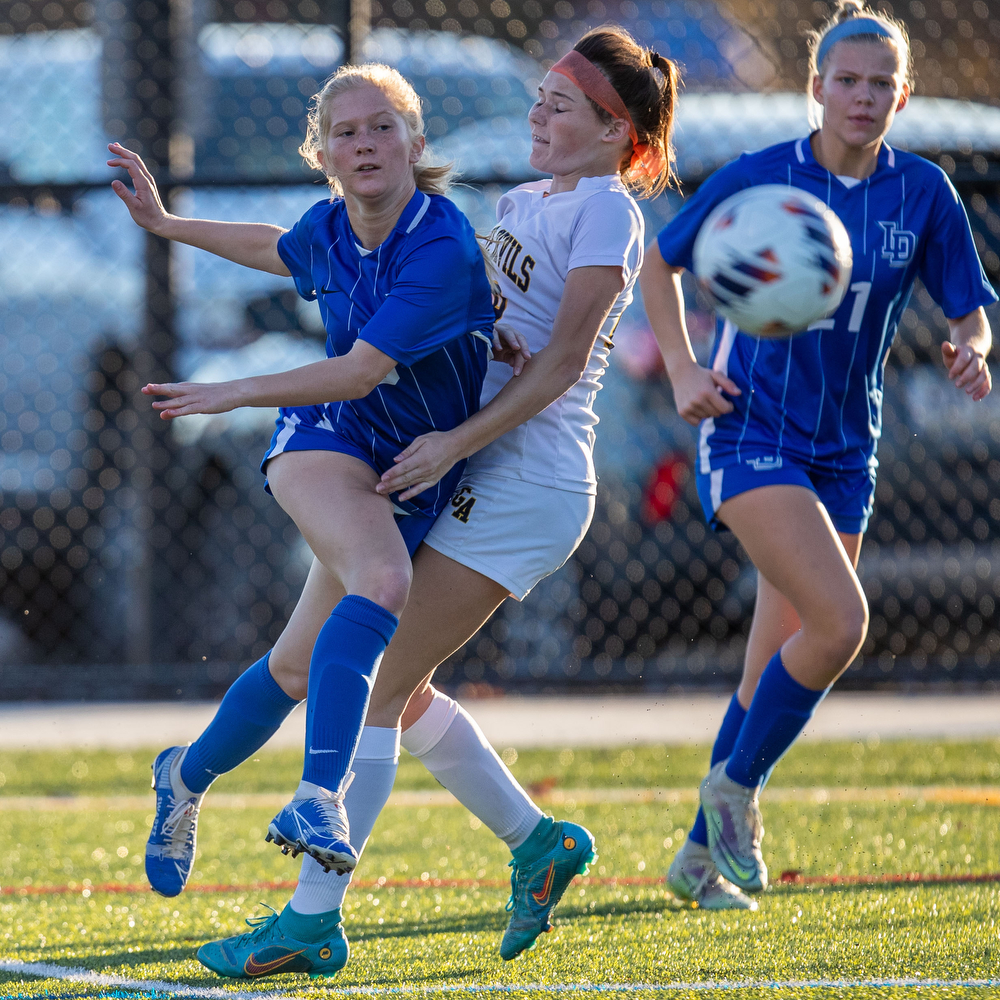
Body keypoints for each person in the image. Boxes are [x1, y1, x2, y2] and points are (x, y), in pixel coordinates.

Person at [138, 27, 678, 978]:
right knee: (320, 665)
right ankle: (533, 842)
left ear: (613, 130)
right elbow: (487, 324)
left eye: (559, 104)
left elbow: (558, 363)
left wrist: (454, 440)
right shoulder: (519, 200)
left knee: (375, 682)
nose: (536, 113)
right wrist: (172, 226)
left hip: (523, 481)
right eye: (542, 97)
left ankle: (309, 921)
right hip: (454, 462)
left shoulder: (606, 214)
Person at [640, 0, 995, 912]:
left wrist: (972, 348)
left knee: (774, 661)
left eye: (882, 83)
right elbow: (659, 262)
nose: (864, 95)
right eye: (848, 80)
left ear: (903, 95)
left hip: (848, 449)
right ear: (816, 88)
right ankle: (735, 793)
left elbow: (970, 309)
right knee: (839, 626)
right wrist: (682, 368)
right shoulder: (761, 180)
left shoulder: (920, 192)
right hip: (752, 429)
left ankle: (695, 859)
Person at [109, 62, 496, 892]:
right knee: (384, 578)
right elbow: (274, 249)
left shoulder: (440, 239)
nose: (365, 143)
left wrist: (233, 390)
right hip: (328, 442)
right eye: (345, 133)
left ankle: (181, 777)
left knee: (294, 668)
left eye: (382, 126)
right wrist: (167, 224)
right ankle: (320, 797)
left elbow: (360, 368)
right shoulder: (330, 225)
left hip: (401, 465)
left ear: (415, 143)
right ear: (322, 156)